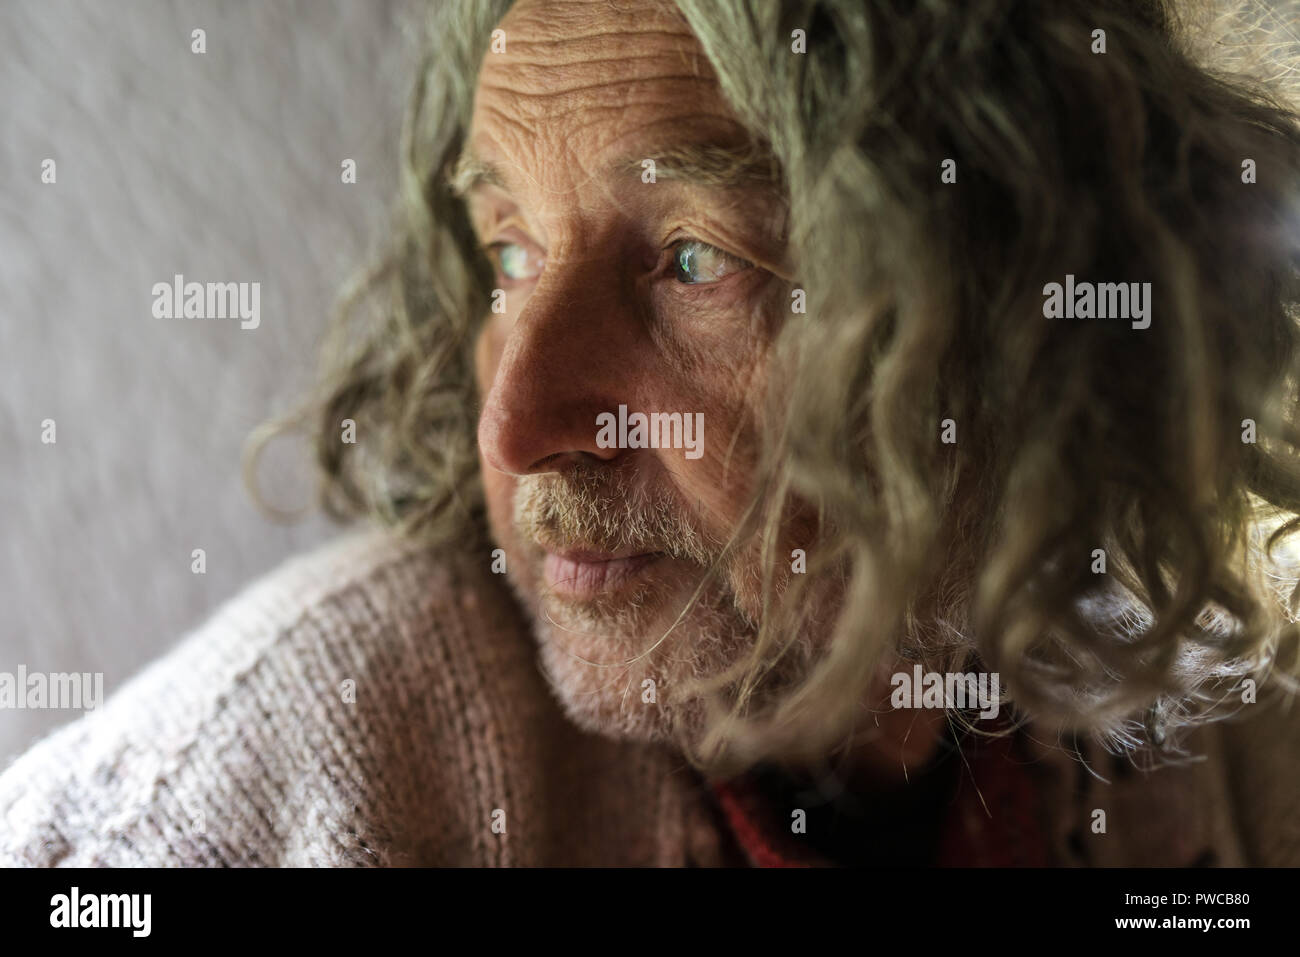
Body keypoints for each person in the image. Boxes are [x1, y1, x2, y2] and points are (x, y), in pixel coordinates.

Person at [4, 0, 1299, 866]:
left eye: (693, 259)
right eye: (506, 251)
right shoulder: (254, 797)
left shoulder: (1201, 730)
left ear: (1013, 313)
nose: (515, 424)